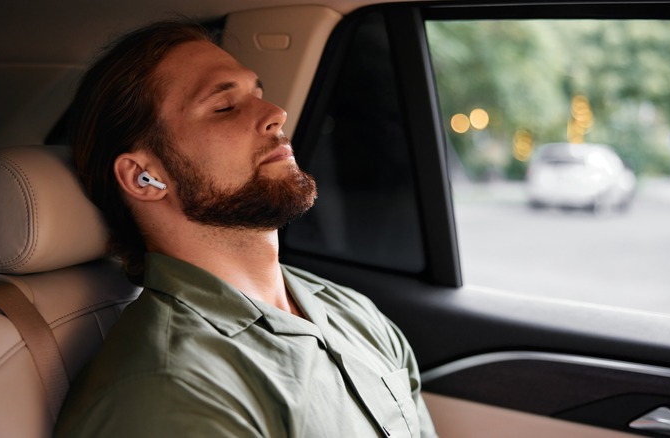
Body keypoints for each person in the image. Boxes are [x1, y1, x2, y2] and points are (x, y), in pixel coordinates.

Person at [54, 19, 436, 438]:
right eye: (223, 107)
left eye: (258, 93)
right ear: (144, 176)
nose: (276, 113)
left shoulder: (353, 312)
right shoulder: (170, 392)